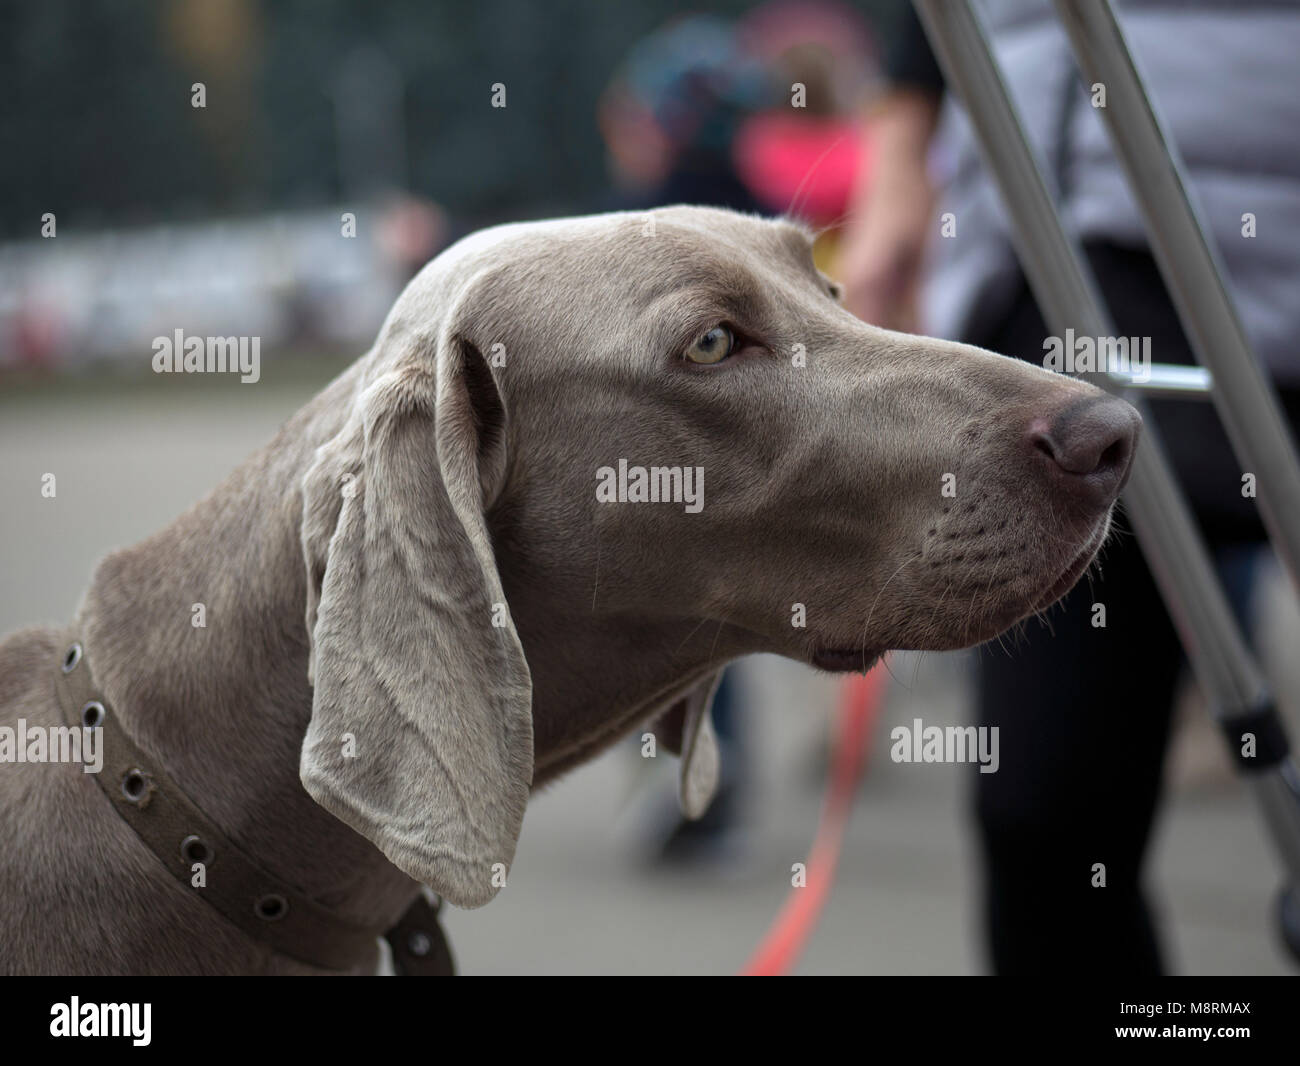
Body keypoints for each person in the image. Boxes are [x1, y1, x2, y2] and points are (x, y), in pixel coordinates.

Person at [838, 0, 1300, 974]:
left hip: (1257, 250)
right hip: (1037, 272)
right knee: (1042, 817)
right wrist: (896, 174)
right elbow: (923, 30)